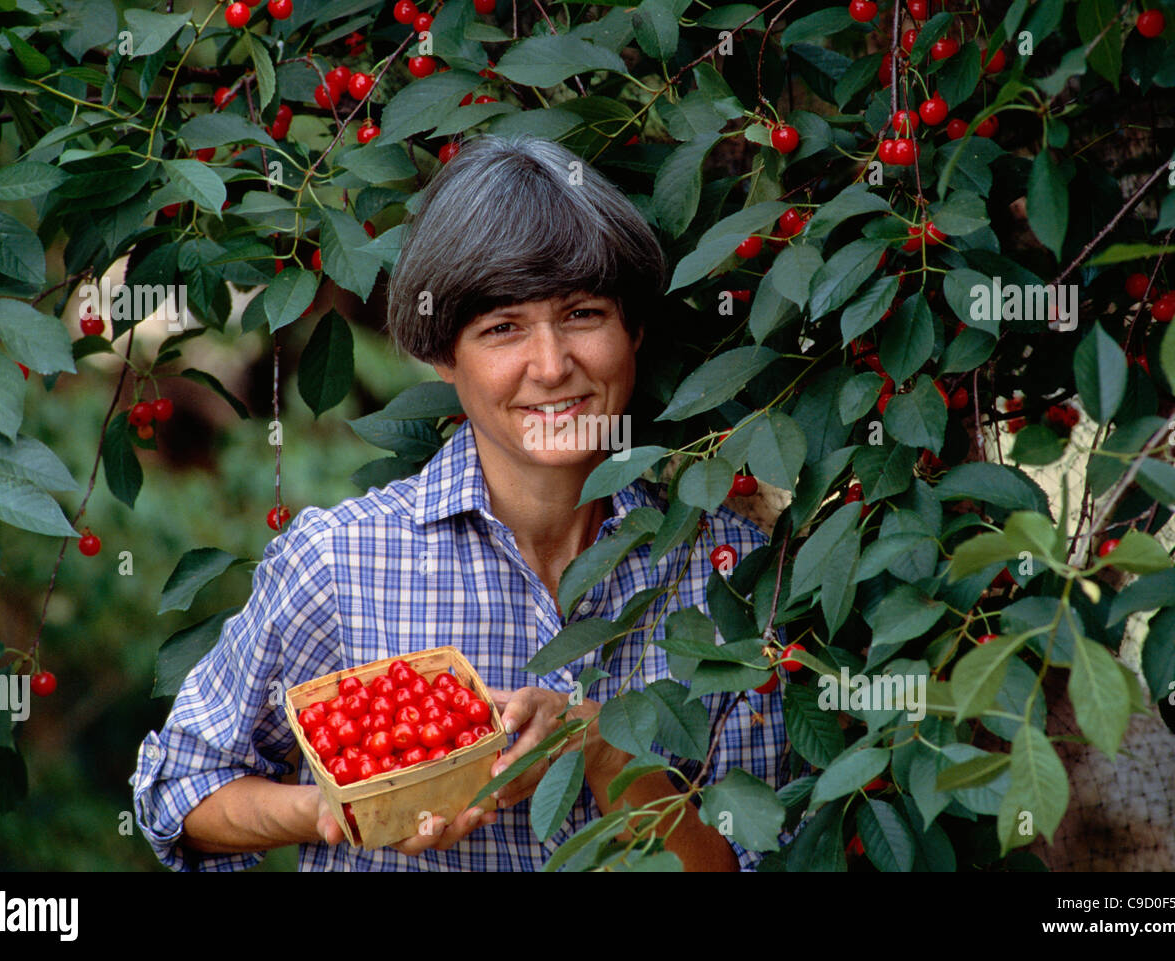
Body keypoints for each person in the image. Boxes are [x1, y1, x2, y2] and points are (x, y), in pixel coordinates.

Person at [130, 133, 790, 871]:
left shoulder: (726, 570)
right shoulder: (342, 562)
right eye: (502, 328)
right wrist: (330, 808)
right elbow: (177, 789)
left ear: (633, 328)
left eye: (582, 314)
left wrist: (602, 749)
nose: (550, 365)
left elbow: (752, 857)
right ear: (444, 356)